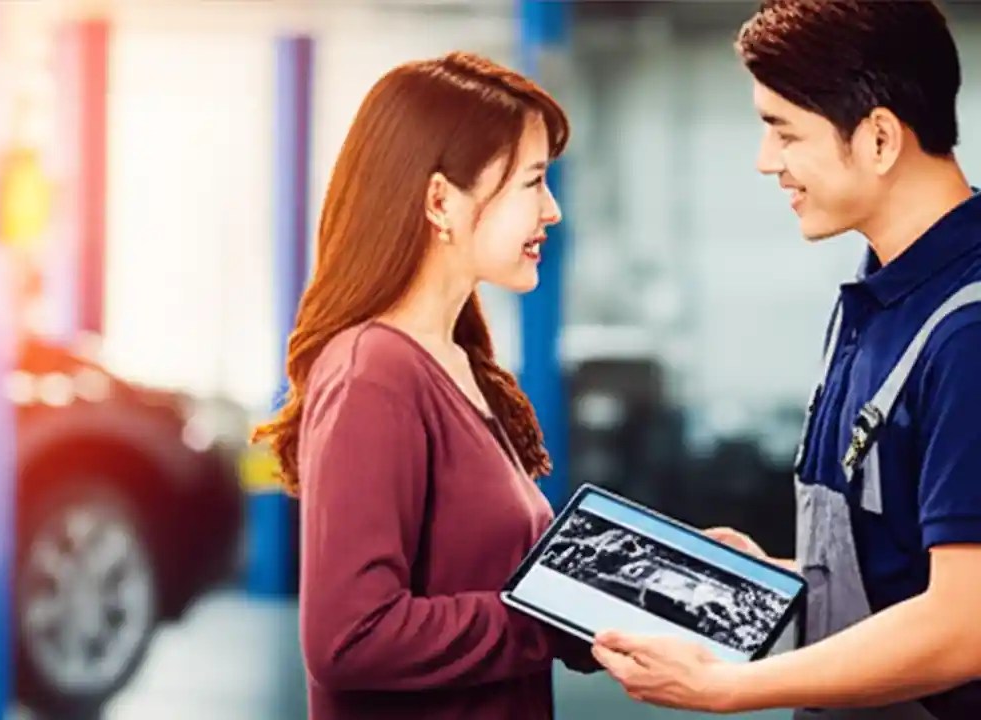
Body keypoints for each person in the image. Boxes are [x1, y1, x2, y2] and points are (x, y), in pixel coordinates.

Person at [590, 2, 981, 718]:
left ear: (880, 138)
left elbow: (966, 625)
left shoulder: (968, 332)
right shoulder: (877, 298)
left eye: (783, 131)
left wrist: (726, 688)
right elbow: (902, 570)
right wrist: (780, 581)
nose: (765, 160)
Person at [251, 51, 594, 719]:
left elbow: (488, 578)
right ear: (441, 198)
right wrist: (543, 621)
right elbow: (350, 640)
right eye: (533, 182)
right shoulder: (372, 374)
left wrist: (652, 580)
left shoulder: (458, 362)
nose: (551, 210)